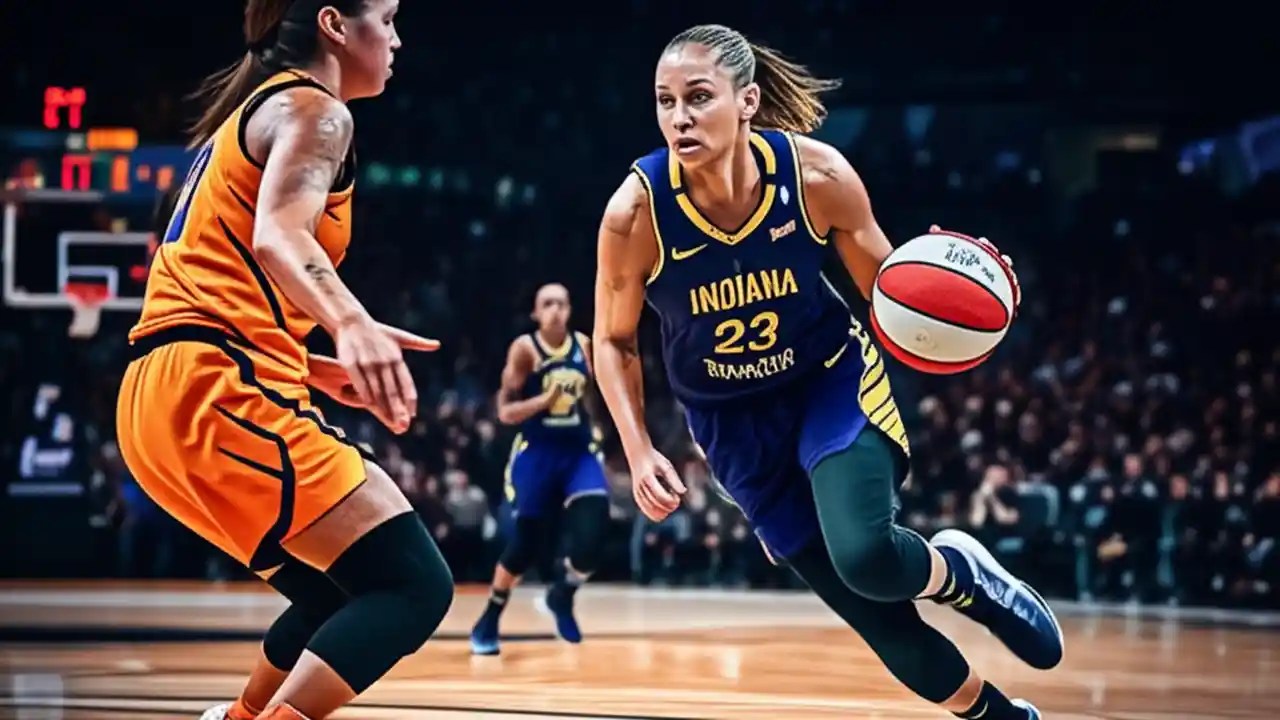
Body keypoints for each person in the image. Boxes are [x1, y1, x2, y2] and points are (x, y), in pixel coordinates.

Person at [592, 24, 1060, 720]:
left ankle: (960, 574)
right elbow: (613, 340)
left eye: (699, 97)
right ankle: (999, 717)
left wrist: (965, 284)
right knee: (875, 616)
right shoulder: (636, 213)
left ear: (747, 101)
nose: (679, 117)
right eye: (665, 101)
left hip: (829, 382)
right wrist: (637, 449)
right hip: (731, 424)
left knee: (866, 558)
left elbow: (890, 295)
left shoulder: (817, 177)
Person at [115, 2, 454, 719]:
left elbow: (221, 275)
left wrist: (306, 364)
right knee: (412, 584)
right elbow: (278, 235)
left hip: (164, 391)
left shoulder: (250, 116)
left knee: (335, 591)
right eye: (387, 18)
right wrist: (349, 322)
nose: (397, 38)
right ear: (335, 24)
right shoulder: (316, 110)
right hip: (213, 387)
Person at [470, 283, 609, 655]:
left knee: (593, 538)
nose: (555, 310)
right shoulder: (525, 349)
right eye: (547, 304)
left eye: (562, 303)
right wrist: (544, 400)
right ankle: (489, 618)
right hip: (537, 453)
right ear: (535, 313)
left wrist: (596, 426)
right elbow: (505, 412)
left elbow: (591, 394)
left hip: (578, 453)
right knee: (525, 545)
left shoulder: (583, 346)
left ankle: (561, 595)